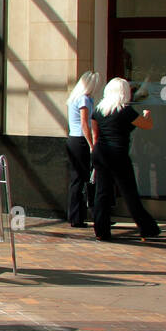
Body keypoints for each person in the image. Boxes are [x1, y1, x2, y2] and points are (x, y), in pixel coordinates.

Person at [91, 78, 161, 242]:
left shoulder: (99, 110)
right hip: (118, 154)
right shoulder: (125, 111)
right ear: (125, 92)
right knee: (129, 192)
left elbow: (96, 135)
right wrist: (147, 115)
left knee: (102, 192)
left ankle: (101, 231)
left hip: (100, 152)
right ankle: (147, 228)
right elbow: (146, 125)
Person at [65, 71, 99, 228]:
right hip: (80, 140)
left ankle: (75, 216)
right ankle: (77, 217)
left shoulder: (74, 98)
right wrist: (91, 144)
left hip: (73, 139)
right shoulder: (85, 99)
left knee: (76, 179)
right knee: (80, 179)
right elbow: (85, 123)